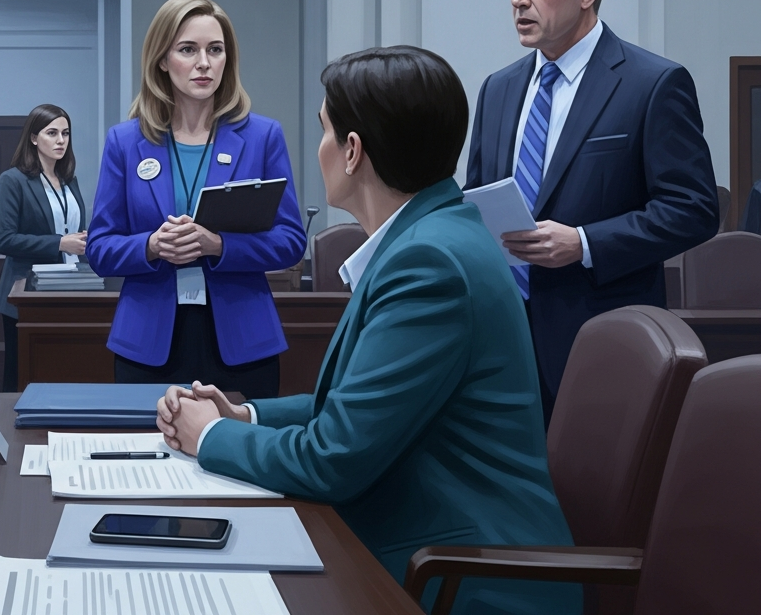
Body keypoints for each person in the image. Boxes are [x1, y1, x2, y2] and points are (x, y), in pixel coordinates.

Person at [158, 47, 579, 615]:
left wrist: (210, 436)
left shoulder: (429, 264)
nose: (320, 149)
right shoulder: (431, 236)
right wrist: (245, 416)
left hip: (466, 577)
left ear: (353, 151)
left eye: (325, 131)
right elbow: (355, 409)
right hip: (430, 546)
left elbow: (332, 459)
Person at [464, 0, 717, 425]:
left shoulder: (653, 83)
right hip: (499, 344)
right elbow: (476, 196)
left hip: (598, 342)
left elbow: (694, 209)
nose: (518, 0)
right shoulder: (499, 88)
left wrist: (583, 243)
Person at [86, 0, 304, 399]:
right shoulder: (125, 142)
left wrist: (218, 245)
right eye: (188, 49)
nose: (204, 62)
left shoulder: (262, 136)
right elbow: (99, 248)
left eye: (215, 50)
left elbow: (291, 241)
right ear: (162, 60)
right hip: (148, 341)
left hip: (242, 340)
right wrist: (152, 246)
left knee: (239, 440)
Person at [0, 104, 87, 392]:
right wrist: (59, 242)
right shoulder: (13, 180)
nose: (61, 140)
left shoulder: (69, 180)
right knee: (23, 376)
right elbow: (5, 239)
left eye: (66, 133)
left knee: (64, 372)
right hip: (28, 293)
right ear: (34, 138)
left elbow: (74, 228)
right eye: (52, 133)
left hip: (71, 288)